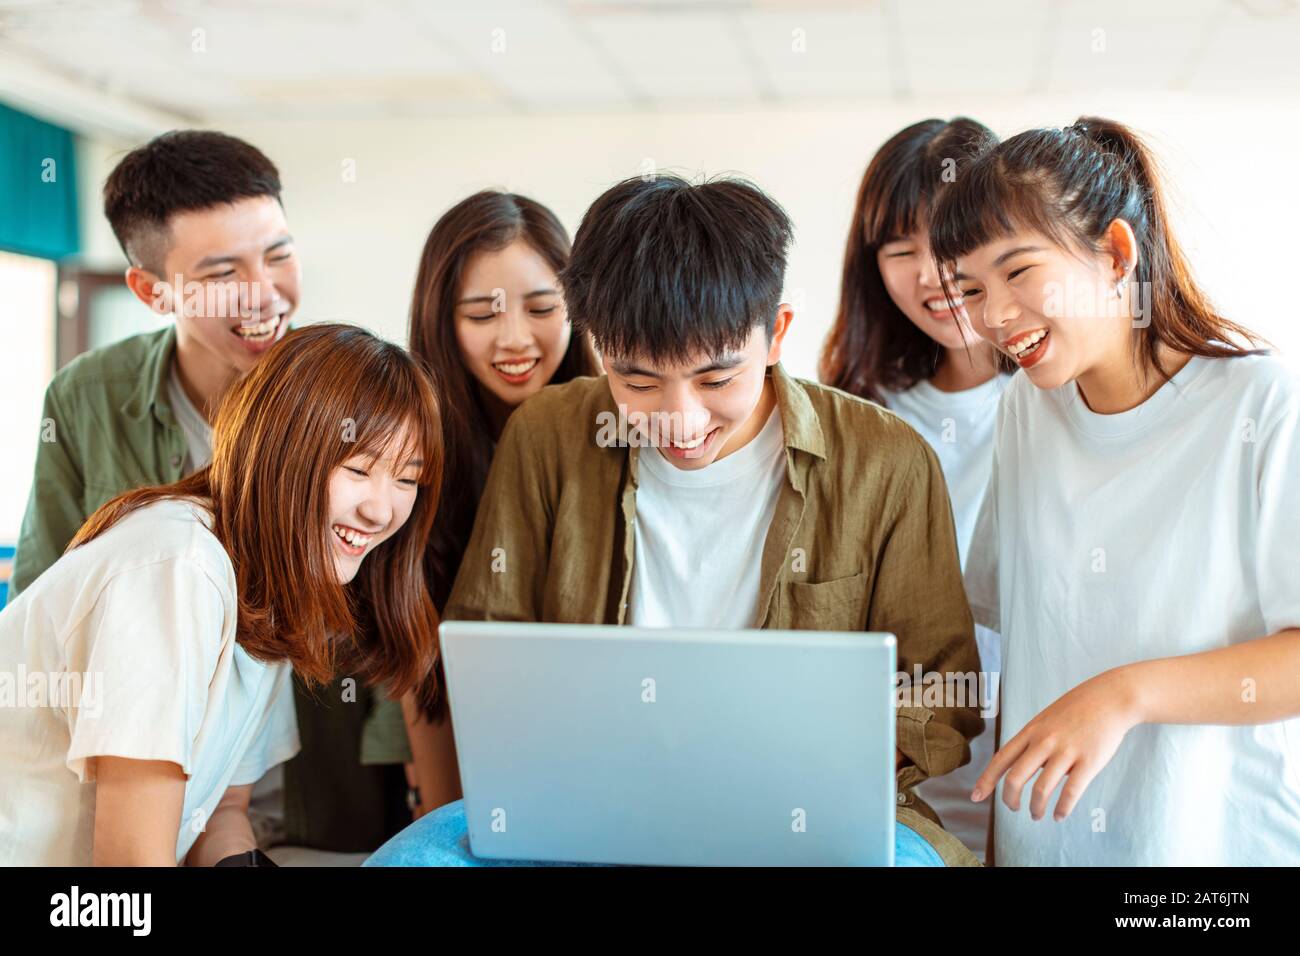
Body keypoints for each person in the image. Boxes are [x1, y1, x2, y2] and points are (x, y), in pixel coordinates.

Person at [370, 174, 984, 867]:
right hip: (585, 796)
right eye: (637, 380)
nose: (679, 419)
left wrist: (830, 772)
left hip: (808, 810)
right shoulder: (546, 435)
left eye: (717, 379)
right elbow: (485, 643)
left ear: (776, 332)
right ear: (598, 344)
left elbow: (941, 689)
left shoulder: (886, 460)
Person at [929, 116, 1300, 865]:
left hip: (1212, 854)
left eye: (1019, 272)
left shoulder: (1261, 403)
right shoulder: (1028, 410)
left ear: (1114, 254)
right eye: (971, 289)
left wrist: (1123, 694)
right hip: (1051, 847)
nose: (995, 316)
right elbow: (1025, 648)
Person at [0, 323, 443, 865]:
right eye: (357, 469)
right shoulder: (178, 566)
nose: (382, 510)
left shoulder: (279, 582)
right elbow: (130, 866)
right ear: (283, 451)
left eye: (407, 480)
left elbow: (220, 809)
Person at [820, 117, 1013, 859]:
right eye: (900, 251)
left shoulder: (1059, 398)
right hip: (897, 787)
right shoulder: (860, 414)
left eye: (947, 243)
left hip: (1042, 768)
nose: (930, 275)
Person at [386, 191, 599, 814]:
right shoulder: (415, 446)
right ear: (440, 319)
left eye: (542, 308)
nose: (515, 340)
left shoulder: (616, 424)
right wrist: (442, 808)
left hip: (583, 754)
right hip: (439, 741)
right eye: (482, 315)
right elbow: (420, 653)